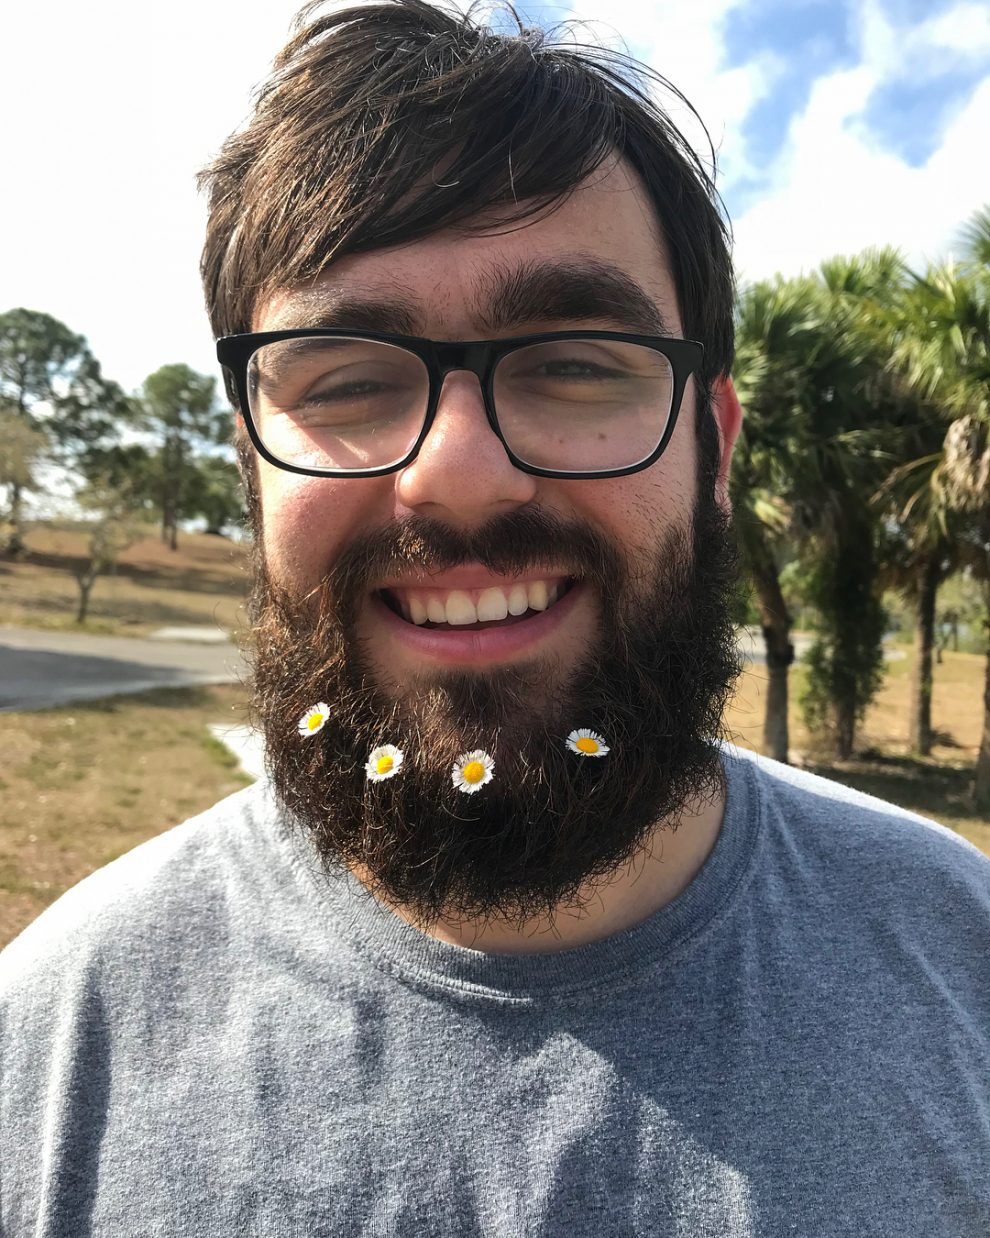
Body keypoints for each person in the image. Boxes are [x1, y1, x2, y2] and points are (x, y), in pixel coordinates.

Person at [2, 2, 988, 1233]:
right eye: (348, 378)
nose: (459, 475)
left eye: (576, 360)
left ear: (714, 447)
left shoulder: (965, 965)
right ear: (251, 475)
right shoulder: (46, 1054)